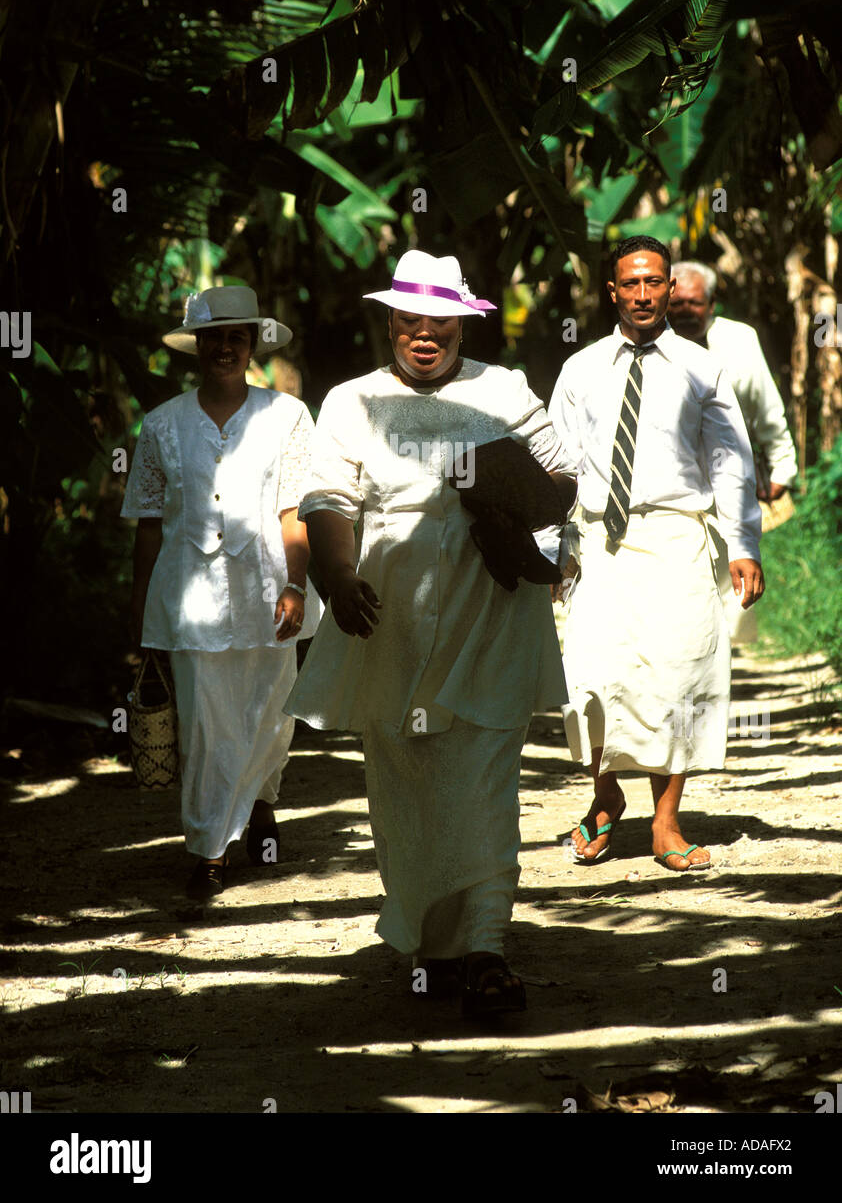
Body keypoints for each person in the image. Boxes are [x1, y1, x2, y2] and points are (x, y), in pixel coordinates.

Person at [284, 250, 572, 1016]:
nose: (423, 334)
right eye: (408, 321)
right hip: (392, 621)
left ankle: (486, 948)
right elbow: (327, 498)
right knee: (406, 783)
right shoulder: (352, 401)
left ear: (462, 323)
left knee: (484, 775)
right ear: (390, 324)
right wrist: (338, 579)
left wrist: (516, 503)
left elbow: (564, 480)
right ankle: (430, 944)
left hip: (491, 610)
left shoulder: (503, 390)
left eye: (438, 321)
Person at [549, 236, 764, 873]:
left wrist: (742, 545)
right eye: (630, 284)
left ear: (671, 289)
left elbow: (731, 464)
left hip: (676, 537)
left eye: (654, 282)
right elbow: (560, 467)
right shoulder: (580, 369)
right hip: (600, 542)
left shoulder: (702, 368)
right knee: (592, 676)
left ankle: (667, 822)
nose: (642, 294)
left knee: (677, 674)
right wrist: (556, 551)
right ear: (611, 292)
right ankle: (604, 795)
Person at [122, 285, 319, 901]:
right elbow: (149, 524)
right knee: (205, 724)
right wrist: (139, 615)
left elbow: (295, 510)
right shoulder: (162, 425)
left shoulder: (287, 416)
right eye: (214, 337)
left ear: (254, 344)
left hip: (267, 590)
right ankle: (209, 849)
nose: (226, 348)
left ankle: (261, 805)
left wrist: (295, 582)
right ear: (197, 346)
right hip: (190, 597)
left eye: (238, 337)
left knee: (270, 716)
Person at [669, 260, 798, 640]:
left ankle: (722, 662)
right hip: (674, 478)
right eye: (678, 304)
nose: (686, 312)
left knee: (731, 564)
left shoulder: (740, 339)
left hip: (730, 471)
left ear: (711, 303)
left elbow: (766, 406)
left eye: (694, 303)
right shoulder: (654, 342)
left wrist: (782, 467)